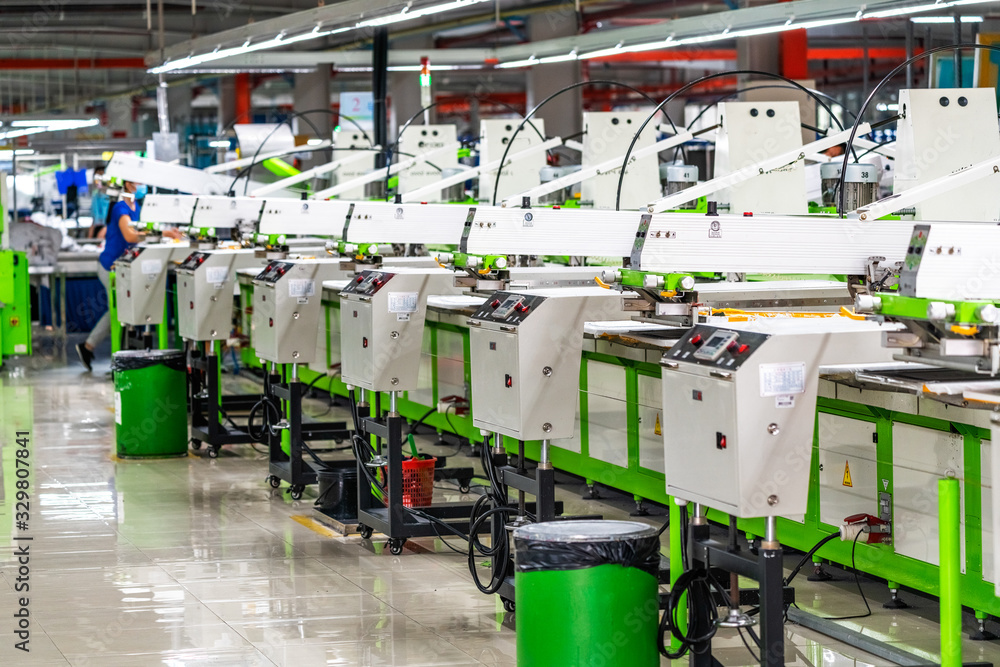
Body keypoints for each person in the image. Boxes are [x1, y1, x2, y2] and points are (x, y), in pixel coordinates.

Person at [76, 181, 182, 371]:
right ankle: (105, 353)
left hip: (126, 267)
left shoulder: (136, 206)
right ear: (127, 184)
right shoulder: (120, 208)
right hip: (111, 266)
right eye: (138, 181)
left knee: (120, 311)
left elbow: (142, 232)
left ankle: (96, 348)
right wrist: (162, 233)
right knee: (118, 311)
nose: (141, 185)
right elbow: (131, 236)